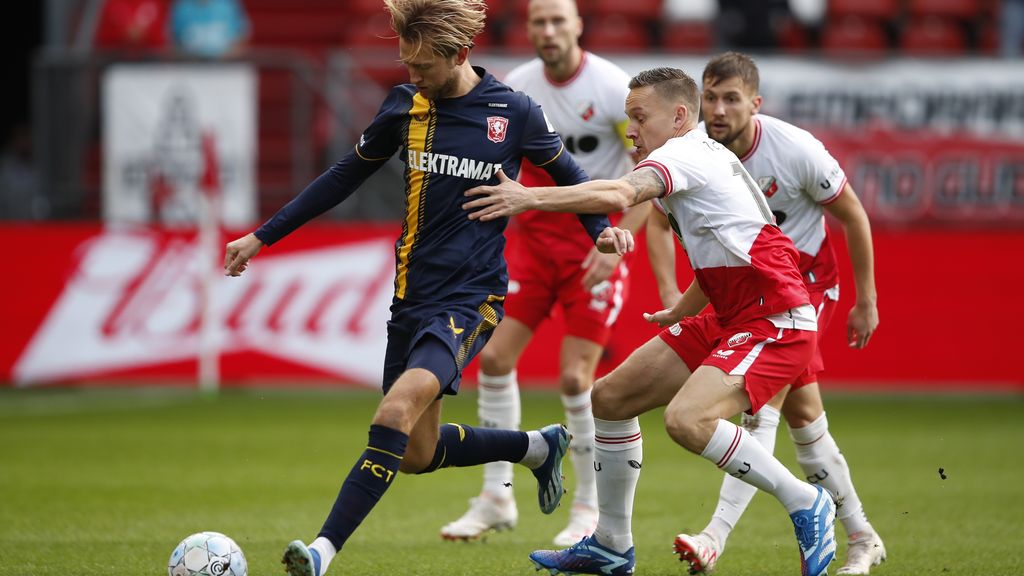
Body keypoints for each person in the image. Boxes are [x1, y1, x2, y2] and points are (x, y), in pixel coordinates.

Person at [221, 2, 632, 575]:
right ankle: (535, 447)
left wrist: (602, 234)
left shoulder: (514, 112)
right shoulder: (404, 106)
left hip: (472, 300)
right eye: (406, 63)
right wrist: (262, 237)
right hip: (410, 301)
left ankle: (320, 552)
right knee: (416, 453)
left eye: (423, 66)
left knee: (393, 412)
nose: (413, 76)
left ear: (459, 54)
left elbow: (575, 180)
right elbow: (343, 175)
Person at [465, 66, 837, 576]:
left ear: (680, 116)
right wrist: (681, 312)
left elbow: (618, 195)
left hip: (776, 317)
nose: (630, 130)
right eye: (627, 119)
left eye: (640, 117)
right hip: (731, 314)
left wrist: (530, 197)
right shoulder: (701, 160)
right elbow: (725, 257)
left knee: (688, 420)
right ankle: (611, 545)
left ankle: (805, 501)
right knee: (610, 398)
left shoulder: (682, 154)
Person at [439, 0, 649, 547]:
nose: (549, 30)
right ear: (528, 29)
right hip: (533, 245)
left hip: (592, 242)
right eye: (539, 21)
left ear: (579, 26)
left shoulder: (611, 89)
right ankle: (496, 496)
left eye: (559, 20)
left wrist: (614, 239)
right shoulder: (518, 86)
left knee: (577, 378)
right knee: (495, 358)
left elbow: (655, 172)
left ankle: (586, 507)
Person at [666, 51, 883, 576]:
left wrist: (866, 299)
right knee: (804, 418)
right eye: (709, 97)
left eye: (730, 98)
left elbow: (852, 214)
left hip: (803, 293)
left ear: (755, 103)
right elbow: (658, 222)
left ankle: (714, 537)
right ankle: (862, 536)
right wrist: (673, 299)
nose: (717, 109)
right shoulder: (698, 153)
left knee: (759, 410)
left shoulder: (794, 149)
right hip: (745, 294)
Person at [169, 0, 249, 58]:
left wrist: (224, 56)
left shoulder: (229, 5)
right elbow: (173, 43)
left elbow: (242, 38)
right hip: (192, 69)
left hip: (225, 69)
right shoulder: (182, 7)